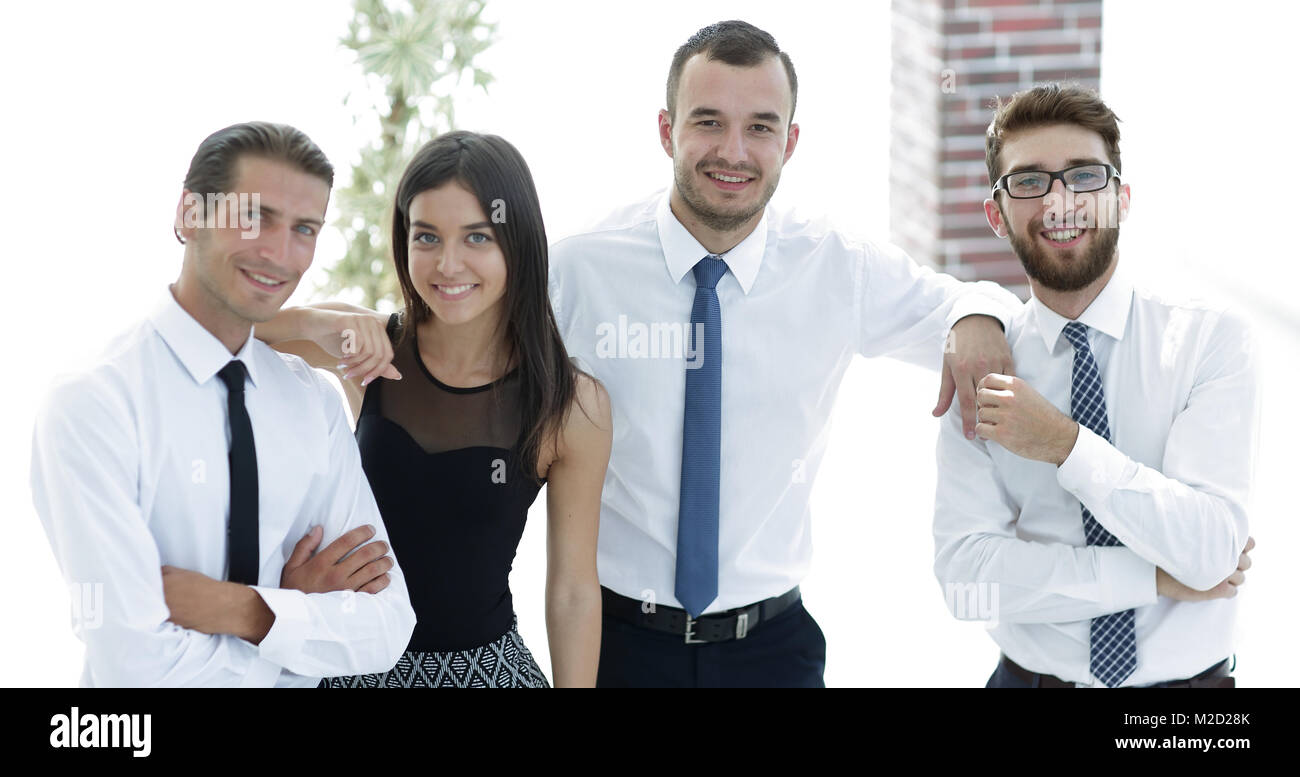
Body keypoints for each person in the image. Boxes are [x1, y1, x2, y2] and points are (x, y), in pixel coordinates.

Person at [546, 20, 1024, 687]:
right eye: (708, 122)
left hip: (772, 650)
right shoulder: (579, 271)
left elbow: (973, 309)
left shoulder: (836, 267)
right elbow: (464, 359)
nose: (733, 151)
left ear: (790, 142)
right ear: (666, 131)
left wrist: (978, 312)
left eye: (761, 127)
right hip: (619, 645)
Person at [29, 121, 416, 687]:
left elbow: (385, 626)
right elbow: (135, 663)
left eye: (304, 228)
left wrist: (246, 610)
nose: (280, 254)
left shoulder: (313, 403)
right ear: (190, 213)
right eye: (254, 216)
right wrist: (296, 619)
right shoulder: (94, 404)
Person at [932, 84, 1259, 688]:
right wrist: (1154, 577)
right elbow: (966, 580)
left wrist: (1065, 445)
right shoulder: (982, 364)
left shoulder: (1208, 341)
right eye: (1029, 181)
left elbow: (1213, 551)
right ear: (996, 216)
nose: (1060, 202)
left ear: (1122, 199)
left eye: (1084, 177)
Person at [255, 131, 610, 688]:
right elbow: (215, 326)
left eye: (476, 237)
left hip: (483, 673)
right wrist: (314, 323)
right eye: (427, 237)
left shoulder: (571, 403)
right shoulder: (374, 349)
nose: (448, 264)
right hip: (357, 662)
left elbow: (572, 590)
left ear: (517, 243)